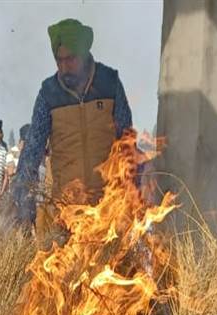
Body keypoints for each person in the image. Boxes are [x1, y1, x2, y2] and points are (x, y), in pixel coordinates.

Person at [13, 18, 134, 228]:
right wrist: (23, 200)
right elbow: (32, 150)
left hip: (107, 208)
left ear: (84, 54)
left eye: (70, 59)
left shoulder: (109, 82)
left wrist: (132, 190)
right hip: (65, 211)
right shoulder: (48, 93)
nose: (64, 67)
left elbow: (126, 142)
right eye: (59, 60)